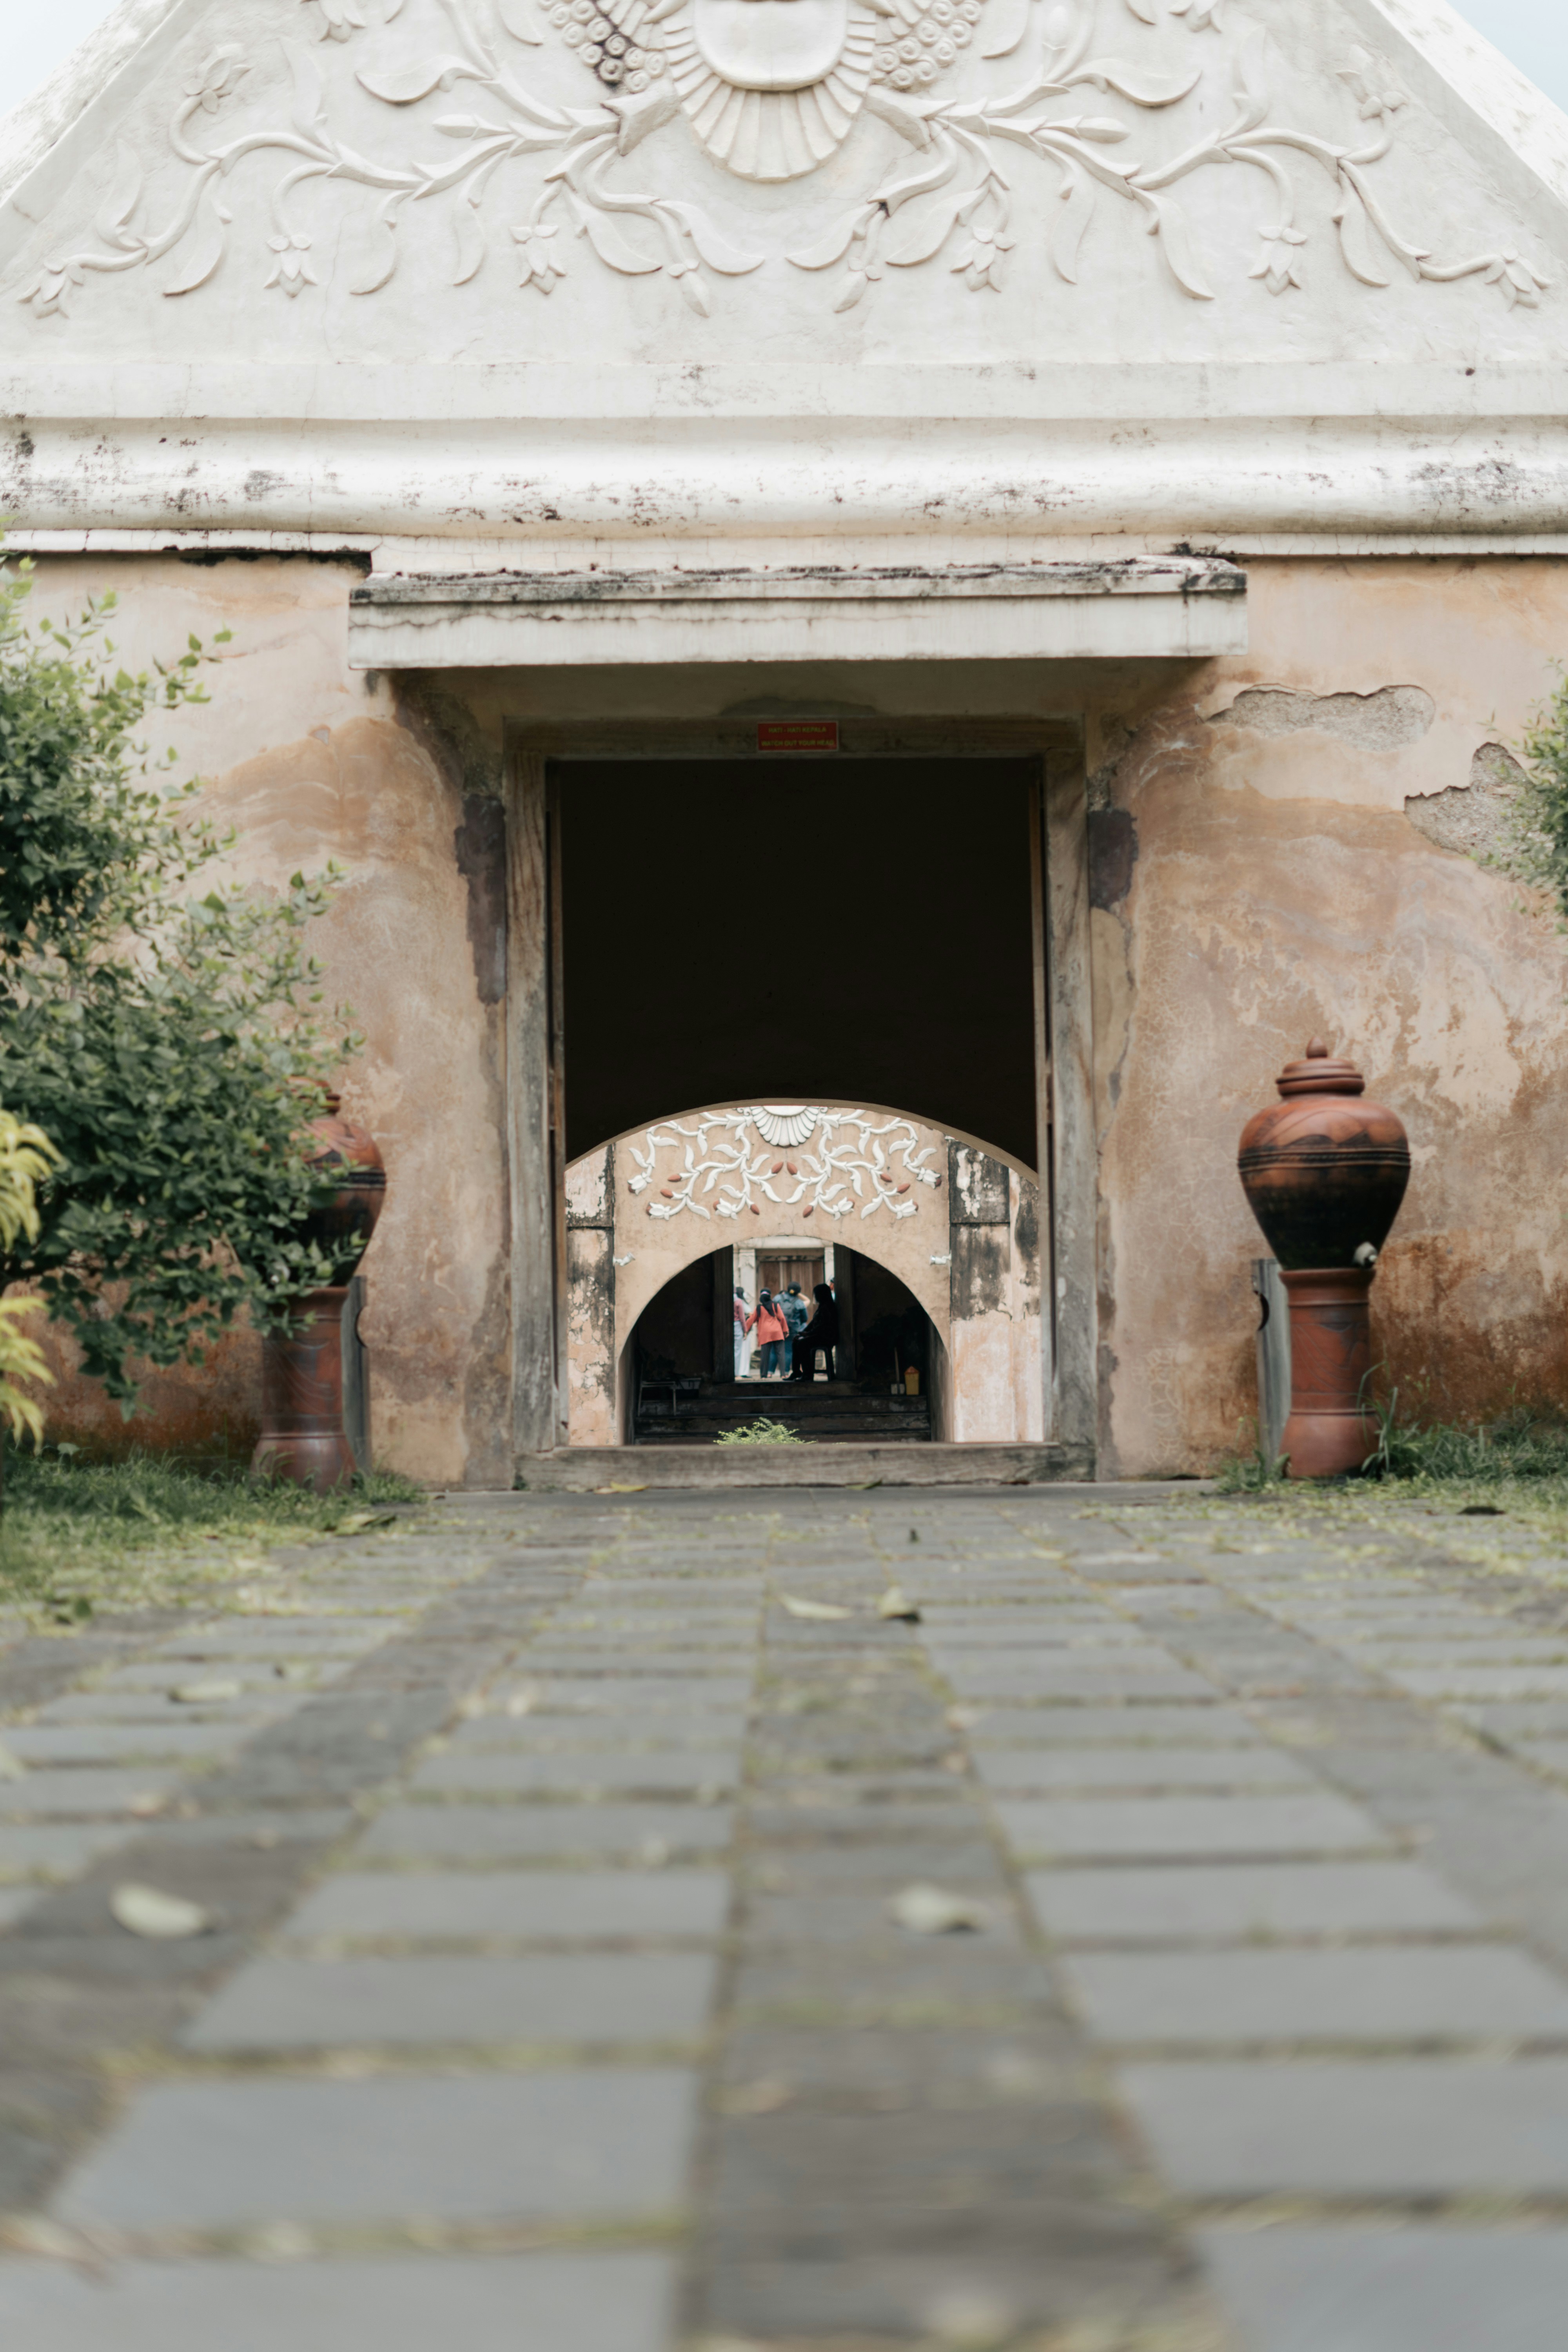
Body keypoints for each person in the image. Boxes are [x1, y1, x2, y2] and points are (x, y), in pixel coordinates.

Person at [791, 1281, 840, 1382]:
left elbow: (822, 1327)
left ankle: (807, 1374)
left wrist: (808, 1334)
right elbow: (813, 1323)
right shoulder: (823, 1306)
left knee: (802, 1344)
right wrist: (803, 1333)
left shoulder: (828, 1307)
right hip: (820, 1335)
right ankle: (797, 1372)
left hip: (827, 1337)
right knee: (797, 1341)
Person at [746, 1287, 790, 1380]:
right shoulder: (775, 1305)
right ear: (770, 1297)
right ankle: (783, 1374)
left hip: (765, 1334)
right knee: (781, 1354)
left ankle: (764, 1375)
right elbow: (782, 1318)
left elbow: (752, 1320)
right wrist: (786, 1330)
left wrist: (745, 1329)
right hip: (777, 1333)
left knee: (765, 1355)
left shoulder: (759, 1308)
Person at [733, 1285, 750, 1378]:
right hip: (737, 1325)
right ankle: (736, 1373)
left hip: (727, 1326)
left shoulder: (725, 1300)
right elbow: (742, 1318)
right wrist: (745, 1330)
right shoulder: (739, 1301)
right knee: (737, 1350)